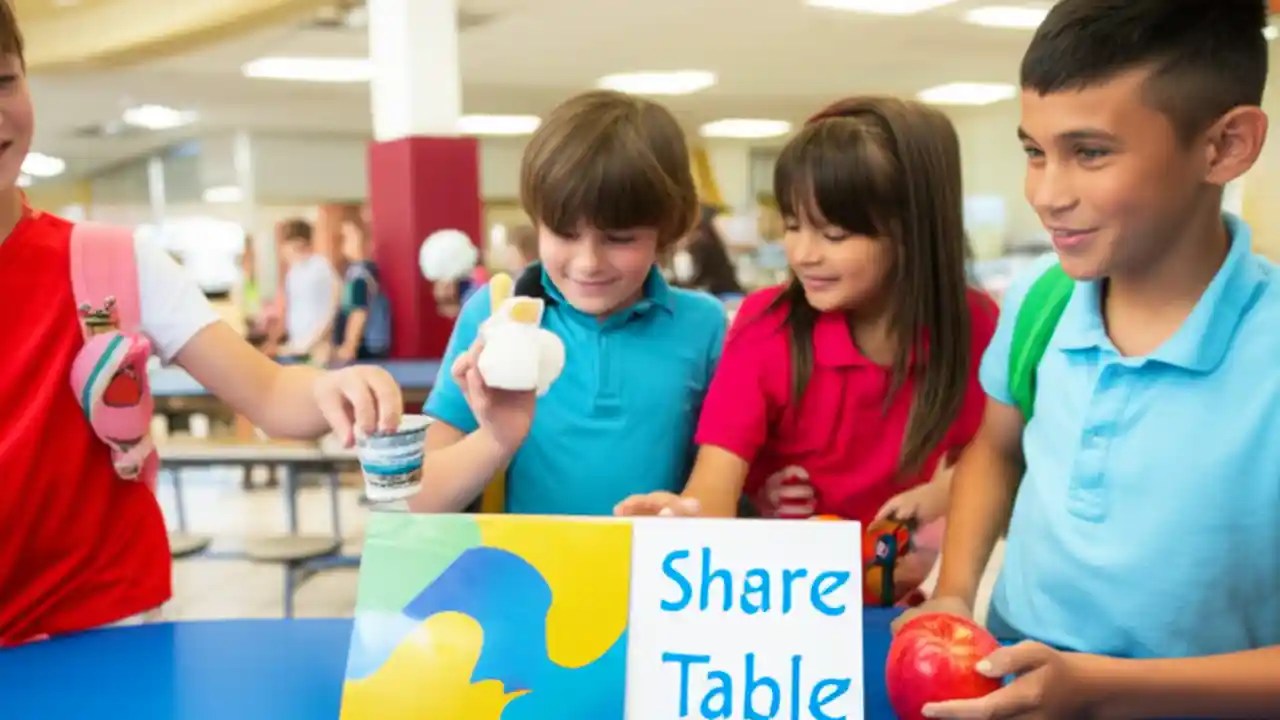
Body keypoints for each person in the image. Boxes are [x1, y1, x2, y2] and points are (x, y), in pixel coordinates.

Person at [896, 2, 1280, 719]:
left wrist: (1102, 683)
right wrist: (955, 586)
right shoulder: (1041, 302)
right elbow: (996, 449)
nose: (1047, 194)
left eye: (1091, 152)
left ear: (1225, 146)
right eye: (1034, 152)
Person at [0, 2, 403, 647]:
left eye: (5, 81)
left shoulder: (111, 262)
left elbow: (269, 393)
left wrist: (330, 387)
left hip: (101, 624)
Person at [615, 97, 998, 546]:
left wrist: (942, 493)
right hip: (780, 591)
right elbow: (715, 483)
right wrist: (683, 519)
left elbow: (994, 460)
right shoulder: (769, 325)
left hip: (899, 593)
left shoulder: (973, 325)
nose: (804, 254)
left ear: (914, 231)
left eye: (835, 235)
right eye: (794, 226)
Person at [410, 90, 727, 515]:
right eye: (564, 233)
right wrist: (495, 440)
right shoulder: (496, 312)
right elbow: (418, 500)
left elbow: (725, 477)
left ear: (665, 232)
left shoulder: (703, 326)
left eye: (620, 239)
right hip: (521, 575)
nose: (588, 263)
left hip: (653, 573)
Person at [274, 218, 340, 362]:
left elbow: (333, 308)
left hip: (318, 346)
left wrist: (314, 341)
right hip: (297, 345)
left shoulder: (320, 267)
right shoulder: (293, 272)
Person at [333, 218, 389, 363]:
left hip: (366, 349)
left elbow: (359, 311)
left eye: (349, 238)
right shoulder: (355, 272)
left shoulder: (360, 274)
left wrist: (349, 346)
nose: (344, 244)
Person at [670, 205, 743, 297]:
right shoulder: (706, 240)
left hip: (721, 294)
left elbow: (693, 278)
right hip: (721, 292)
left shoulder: (703, 244)